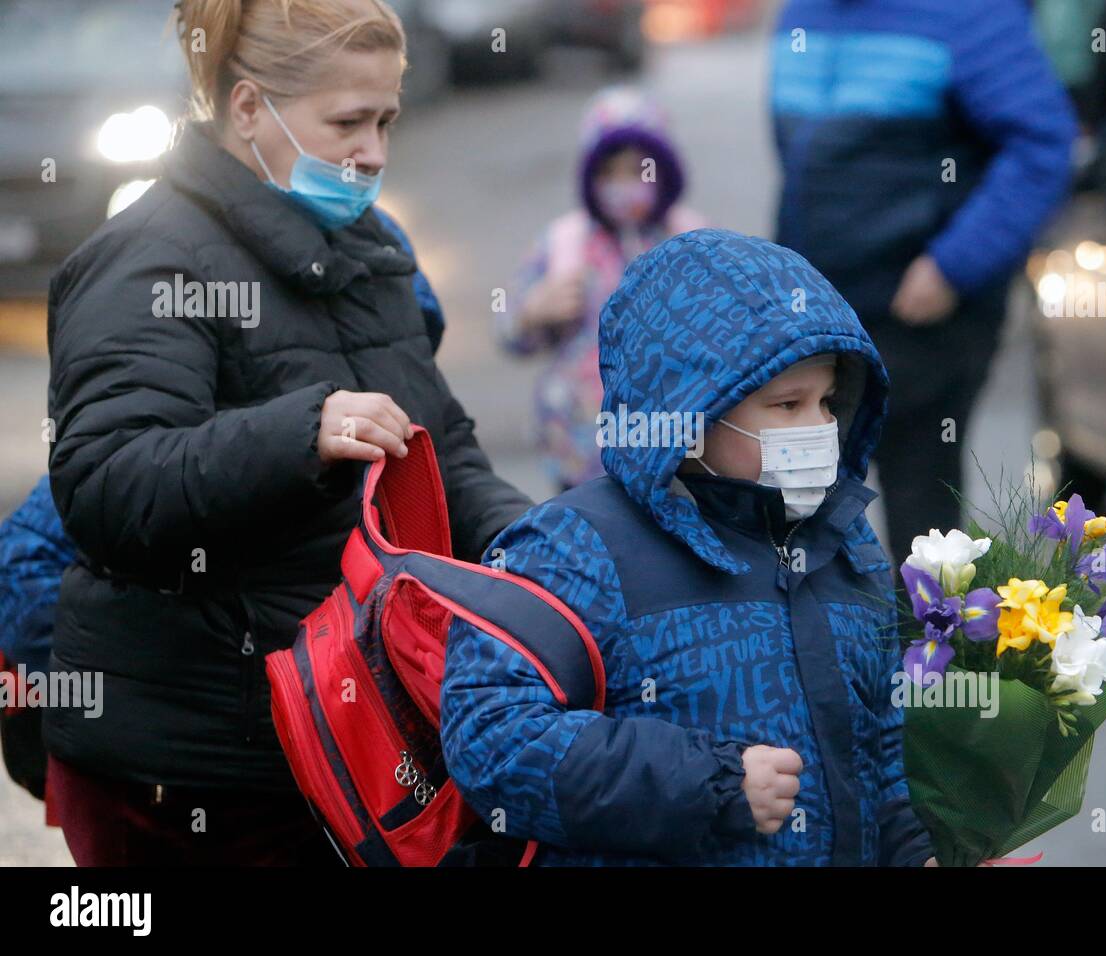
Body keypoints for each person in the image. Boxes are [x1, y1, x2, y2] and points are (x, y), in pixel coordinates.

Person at [41, 0, 531, 866]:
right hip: (191, 769)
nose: (374, 152)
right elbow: (107, 484)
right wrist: (303, 431)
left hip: (341, 742)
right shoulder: (149, 257)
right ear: (247, 109)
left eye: (385, 119)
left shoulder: (369, 248)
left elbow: (441, 449)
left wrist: (538, 553)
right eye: (347, 122)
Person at [440, 229, 938, 865]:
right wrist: (708, 784)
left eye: (828, 403)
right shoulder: (572, 548)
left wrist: (913, 851)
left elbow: (879, 758)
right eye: (786, 404)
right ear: (688, 414)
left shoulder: (846, 543)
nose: (818, 429)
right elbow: (493, 737)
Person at [769, 0, 1078, 572]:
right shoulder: (801, 13)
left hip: (922, 312)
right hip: (816, 314)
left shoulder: (969, 14)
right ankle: (826, 658)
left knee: (921, 522)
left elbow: (1044, 145)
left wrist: (953, 265)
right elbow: (805, 159)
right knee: (796, 510)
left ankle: (927, 656)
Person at [495, 86, 706, 494]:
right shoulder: (564, 242)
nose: (623, 184)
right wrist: (533, 312)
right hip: (579, 453)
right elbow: (508, 332)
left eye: (638, 170)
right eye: (609, 172)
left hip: (673, 452)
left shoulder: (690, 241)